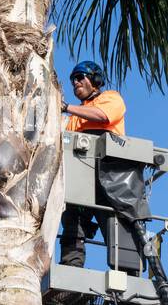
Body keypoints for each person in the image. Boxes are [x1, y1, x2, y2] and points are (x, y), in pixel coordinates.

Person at [58, 61, 139, 273]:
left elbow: (103, 116)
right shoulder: (74, 116)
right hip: (81, 176)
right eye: (73, 79)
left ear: (95, 80)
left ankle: (128, 275)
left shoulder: (110, 98)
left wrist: (66, 107)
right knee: (73, 220)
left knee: (115, 222)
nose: (75, 82)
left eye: (80, 77)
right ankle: (71, 270)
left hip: (109, 175)